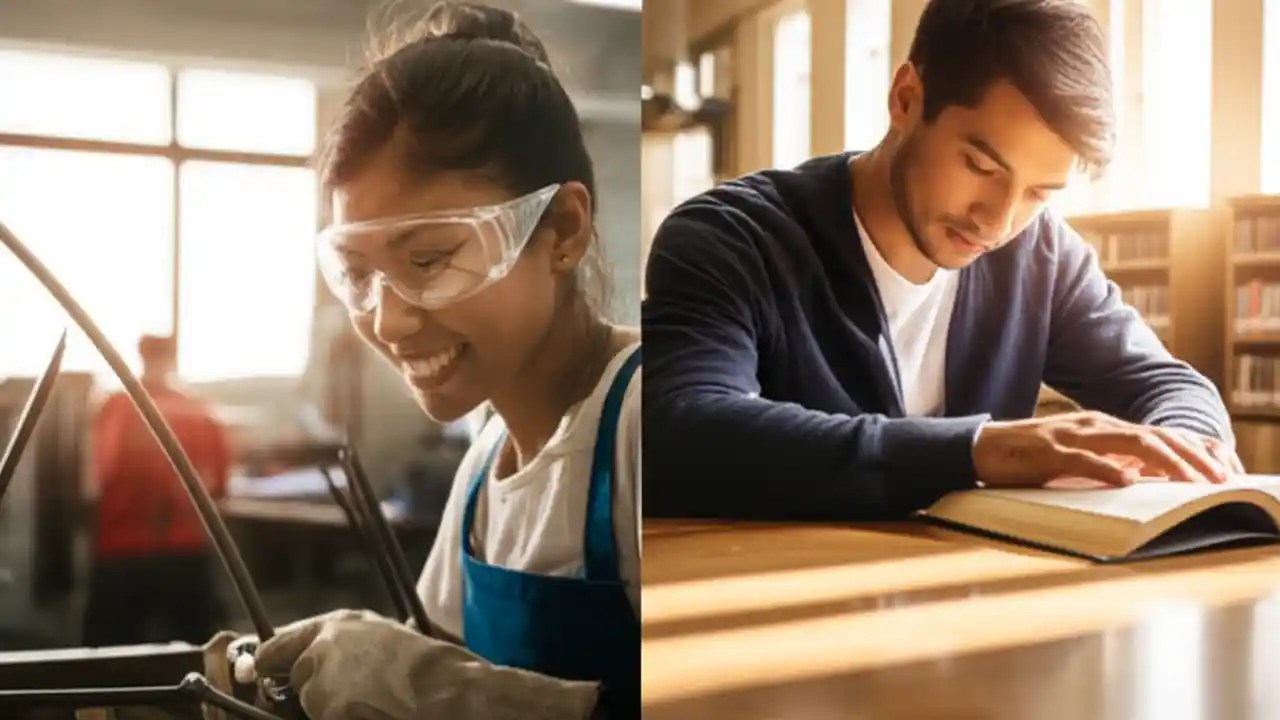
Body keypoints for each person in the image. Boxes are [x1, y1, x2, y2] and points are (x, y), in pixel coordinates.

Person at [641, 0, 1243, 522]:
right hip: (770, 611)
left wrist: (1185, 450)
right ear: (906, 99)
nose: (999, 221)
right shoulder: (731, 239)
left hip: (960, 610)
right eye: (981, 166)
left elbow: (1169, 384)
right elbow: (680, 429)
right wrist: (979, 449)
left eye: (1039, 193)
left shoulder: (1042, 257)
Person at [209, 3, 641, 719]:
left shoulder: (643, 422)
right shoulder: (483, 464)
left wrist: (444, 693)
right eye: (357, 272)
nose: (388, 318)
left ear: (562, 230)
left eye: (429, 259)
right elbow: (436, 656)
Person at [84, 334, 231, 645]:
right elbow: (218, 482)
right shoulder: (198, 409)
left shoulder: (117, 407)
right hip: (184, 547)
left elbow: (99, 473)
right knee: (197, 651)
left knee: (112, 655)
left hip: (122, 549)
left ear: (142, 357)